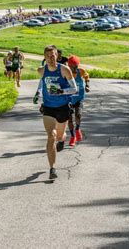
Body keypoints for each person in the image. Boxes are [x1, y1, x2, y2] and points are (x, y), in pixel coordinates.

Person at [33, 45, 78, 180]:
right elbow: (42, 83)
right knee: (51, 135)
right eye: (48, 57)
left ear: (56, 56)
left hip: (62, 107)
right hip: (48, 107)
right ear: (45, 58)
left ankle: (62, 139)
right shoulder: (41, 70)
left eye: (53, 56)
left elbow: (74, 89)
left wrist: (61, 91)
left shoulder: (64, 70)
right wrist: (38, 93)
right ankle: (52, 168)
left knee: (59, 136)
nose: (51, 59)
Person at [66, 55, 90, 147]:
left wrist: (87, 85)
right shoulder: (66, 73)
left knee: (78, 115)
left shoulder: (81, 71)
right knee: (70, 119)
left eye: (76, 66)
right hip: (69, 99)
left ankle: (77, 129)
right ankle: (72, 137)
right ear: (69, 66)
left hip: (79, 97)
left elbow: (87, 77)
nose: (75, 68)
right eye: (73, 66)